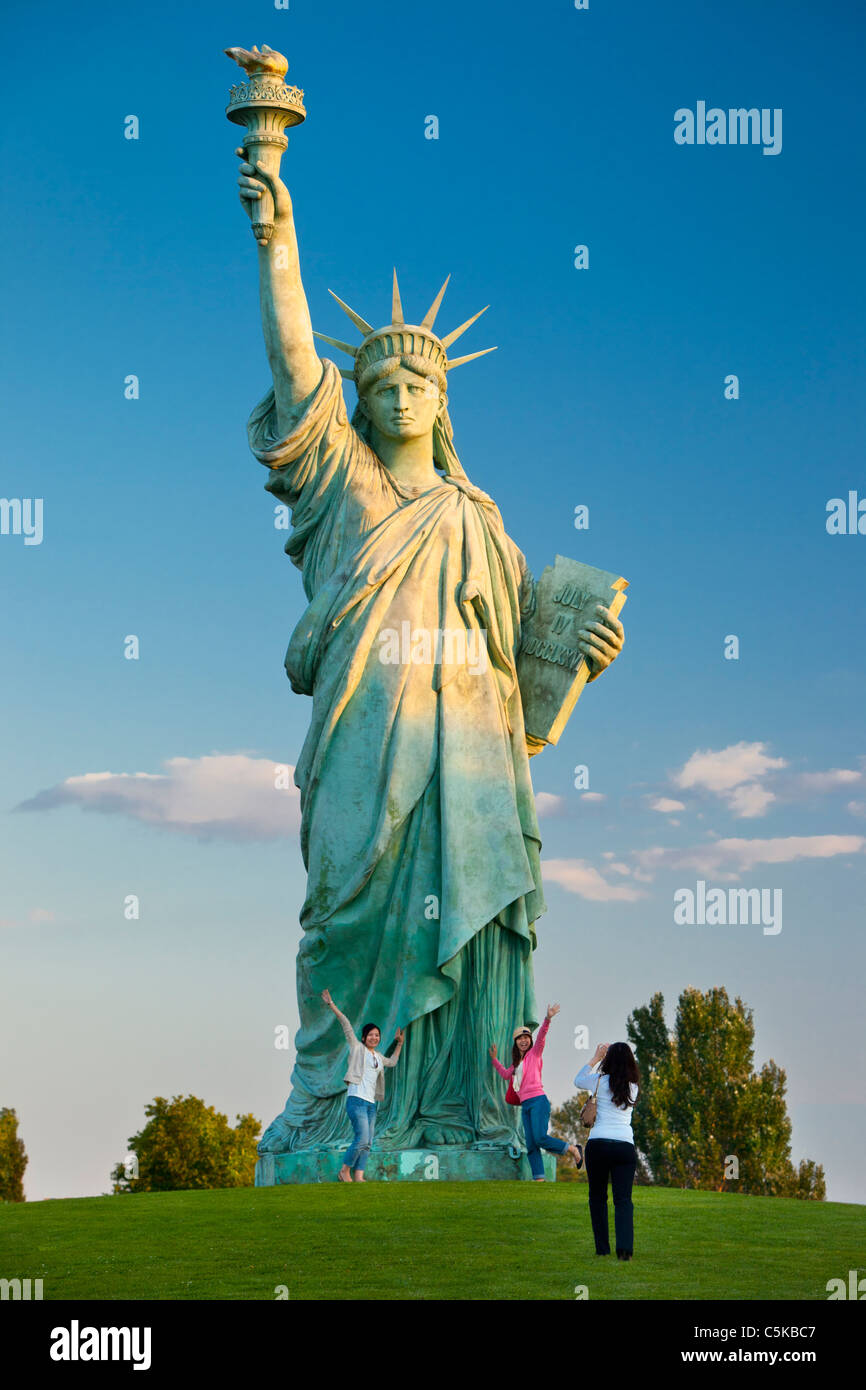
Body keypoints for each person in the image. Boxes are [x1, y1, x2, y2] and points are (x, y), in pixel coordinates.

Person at [236, 148, 626, 1159]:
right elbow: (295, 368)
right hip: (363, 749)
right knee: (343, 918)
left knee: (477, 929)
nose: (400, 392)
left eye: (418, 378)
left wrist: (581, 659)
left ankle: (467, 1114)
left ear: (443, 397)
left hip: (473, 775)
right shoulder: (341, 483)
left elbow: (525, 706)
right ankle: (333, 1111)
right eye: (379, 380)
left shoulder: (483, 524)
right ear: (358, 400)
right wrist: (278, 238)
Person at [489, 1003, 583, 1180]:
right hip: (525, 1106)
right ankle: (539, 1180)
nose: (523, 1040)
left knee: (540, 1138)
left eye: (526, 1037)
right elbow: (505, 1074)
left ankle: (573, 1149)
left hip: (538, 1101)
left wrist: (547, 1019)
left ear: (530, 1040)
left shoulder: (535, 1053)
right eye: (519, 1038)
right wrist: (494, 1060)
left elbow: (542, 1036)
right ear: (516, 1043)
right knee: (531, 1144)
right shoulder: (516, 1065)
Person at [322, 989, 404, 1182]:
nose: (374, 1038)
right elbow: (346, 1024)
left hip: (370, 1104)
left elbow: (392, 1062)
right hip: (356, 1100)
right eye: (371, 1035)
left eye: (377, 1035)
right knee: (361, 1138)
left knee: (367, 1142)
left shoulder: (378, 1057)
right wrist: (331, 1004)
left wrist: (399, 1044)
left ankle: (359, 1175)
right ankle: (344, 1171)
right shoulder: (357, 1048)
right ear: (364, 1037)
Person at [575, 1042, 640, 1258]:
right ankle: (625, 1251)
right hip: (624, 1146)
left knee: (597, 1198)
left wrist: (595, 1058)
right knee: (623, 1200)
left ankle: (602, 1249)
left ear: (608, 1060)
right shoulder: (633, 1087)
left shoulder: (599, 1081)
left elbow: (578, 1080)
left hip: (598, 1144)